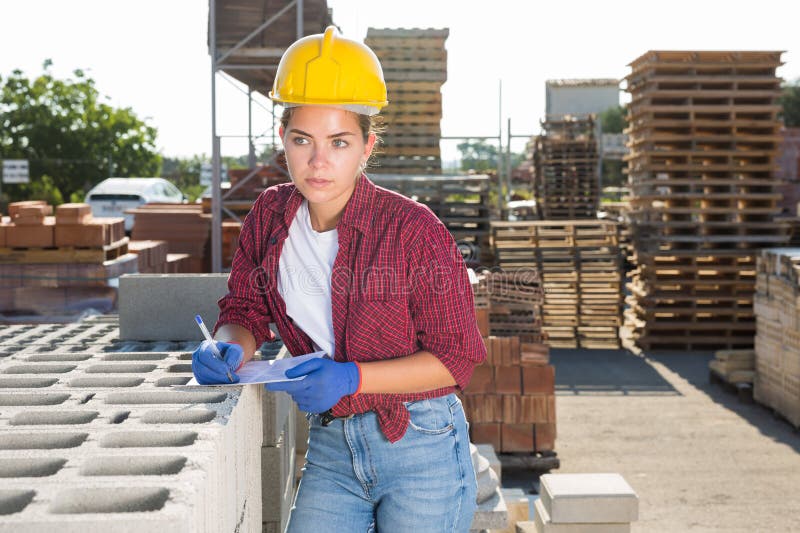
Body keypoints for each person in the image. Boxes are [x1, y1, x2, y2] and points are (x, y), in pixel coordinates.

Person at [191, 26, 486, 532]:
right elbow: (245, 311)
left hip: (420, 444)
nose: (319, 161)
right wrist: (228, 346)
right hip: (332, 445)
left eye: (339, 142)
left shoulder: (414, 231)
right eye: (302, 140)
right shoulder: (269, 216)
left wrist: (353, 377)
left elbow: (457, 358)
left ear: (368, 146)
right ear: (282, 139)